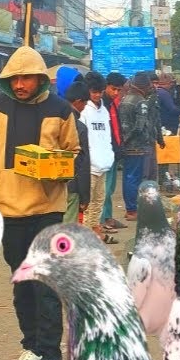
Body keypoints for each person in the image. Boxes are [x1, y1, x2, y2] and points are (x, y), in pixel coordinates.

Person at [0, 46, 79, 360]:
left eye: (26, 77)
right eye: (14, 79)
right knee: (22, 284)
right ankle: (30, 347)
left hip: (47, 208)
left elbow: (72, 153)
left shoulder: (61, 111)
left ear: (40, 79)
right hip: (8, 209)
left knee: (46, 285)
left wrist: (56, 169)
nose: (20, 84)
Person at [79, 75, 116, 244]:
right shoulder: (83, 110)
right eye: (94, 92)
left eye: (100, 92)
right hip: (90, 164)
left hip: (104, 162)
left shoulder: (104, 110)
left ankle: (95, 230)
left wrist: (109, 155)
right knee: (87, 202)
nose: (97, 95)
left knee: (99, 200)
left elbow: (107, 136)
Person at [119, 71, 161, 220]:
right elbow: (139, 126)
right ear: (144, 87)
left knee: (128, 178)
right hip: (137, 146)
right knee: (135, 179)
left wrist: (123, 141)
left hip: (126, 146)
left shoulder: (124, 100)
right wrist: (129, 139)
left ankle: (129, 209)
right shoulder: (141, 102)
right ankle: (132, 210)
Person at [63, 81, 92, 228]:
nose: (84, 108)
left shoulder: (52, 119)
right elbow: (82, 165)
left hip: (49, 185)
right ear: (78, 102)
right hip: (71, 186)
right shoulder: (79, 127)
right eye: (85, 104)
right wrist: (85, 197)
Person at [100, 72, 126, 231]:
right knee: (104, 189)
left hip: (113, 150)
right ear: (106, 86)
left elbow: (116, 127)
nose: (116, 92)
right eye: (113, 89)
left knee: (109, 188)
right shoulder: (101, 103)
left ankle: (108, 217)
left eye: (119, 90)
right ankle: (101, 220)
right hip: (104, 152)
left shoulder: (112, 103)